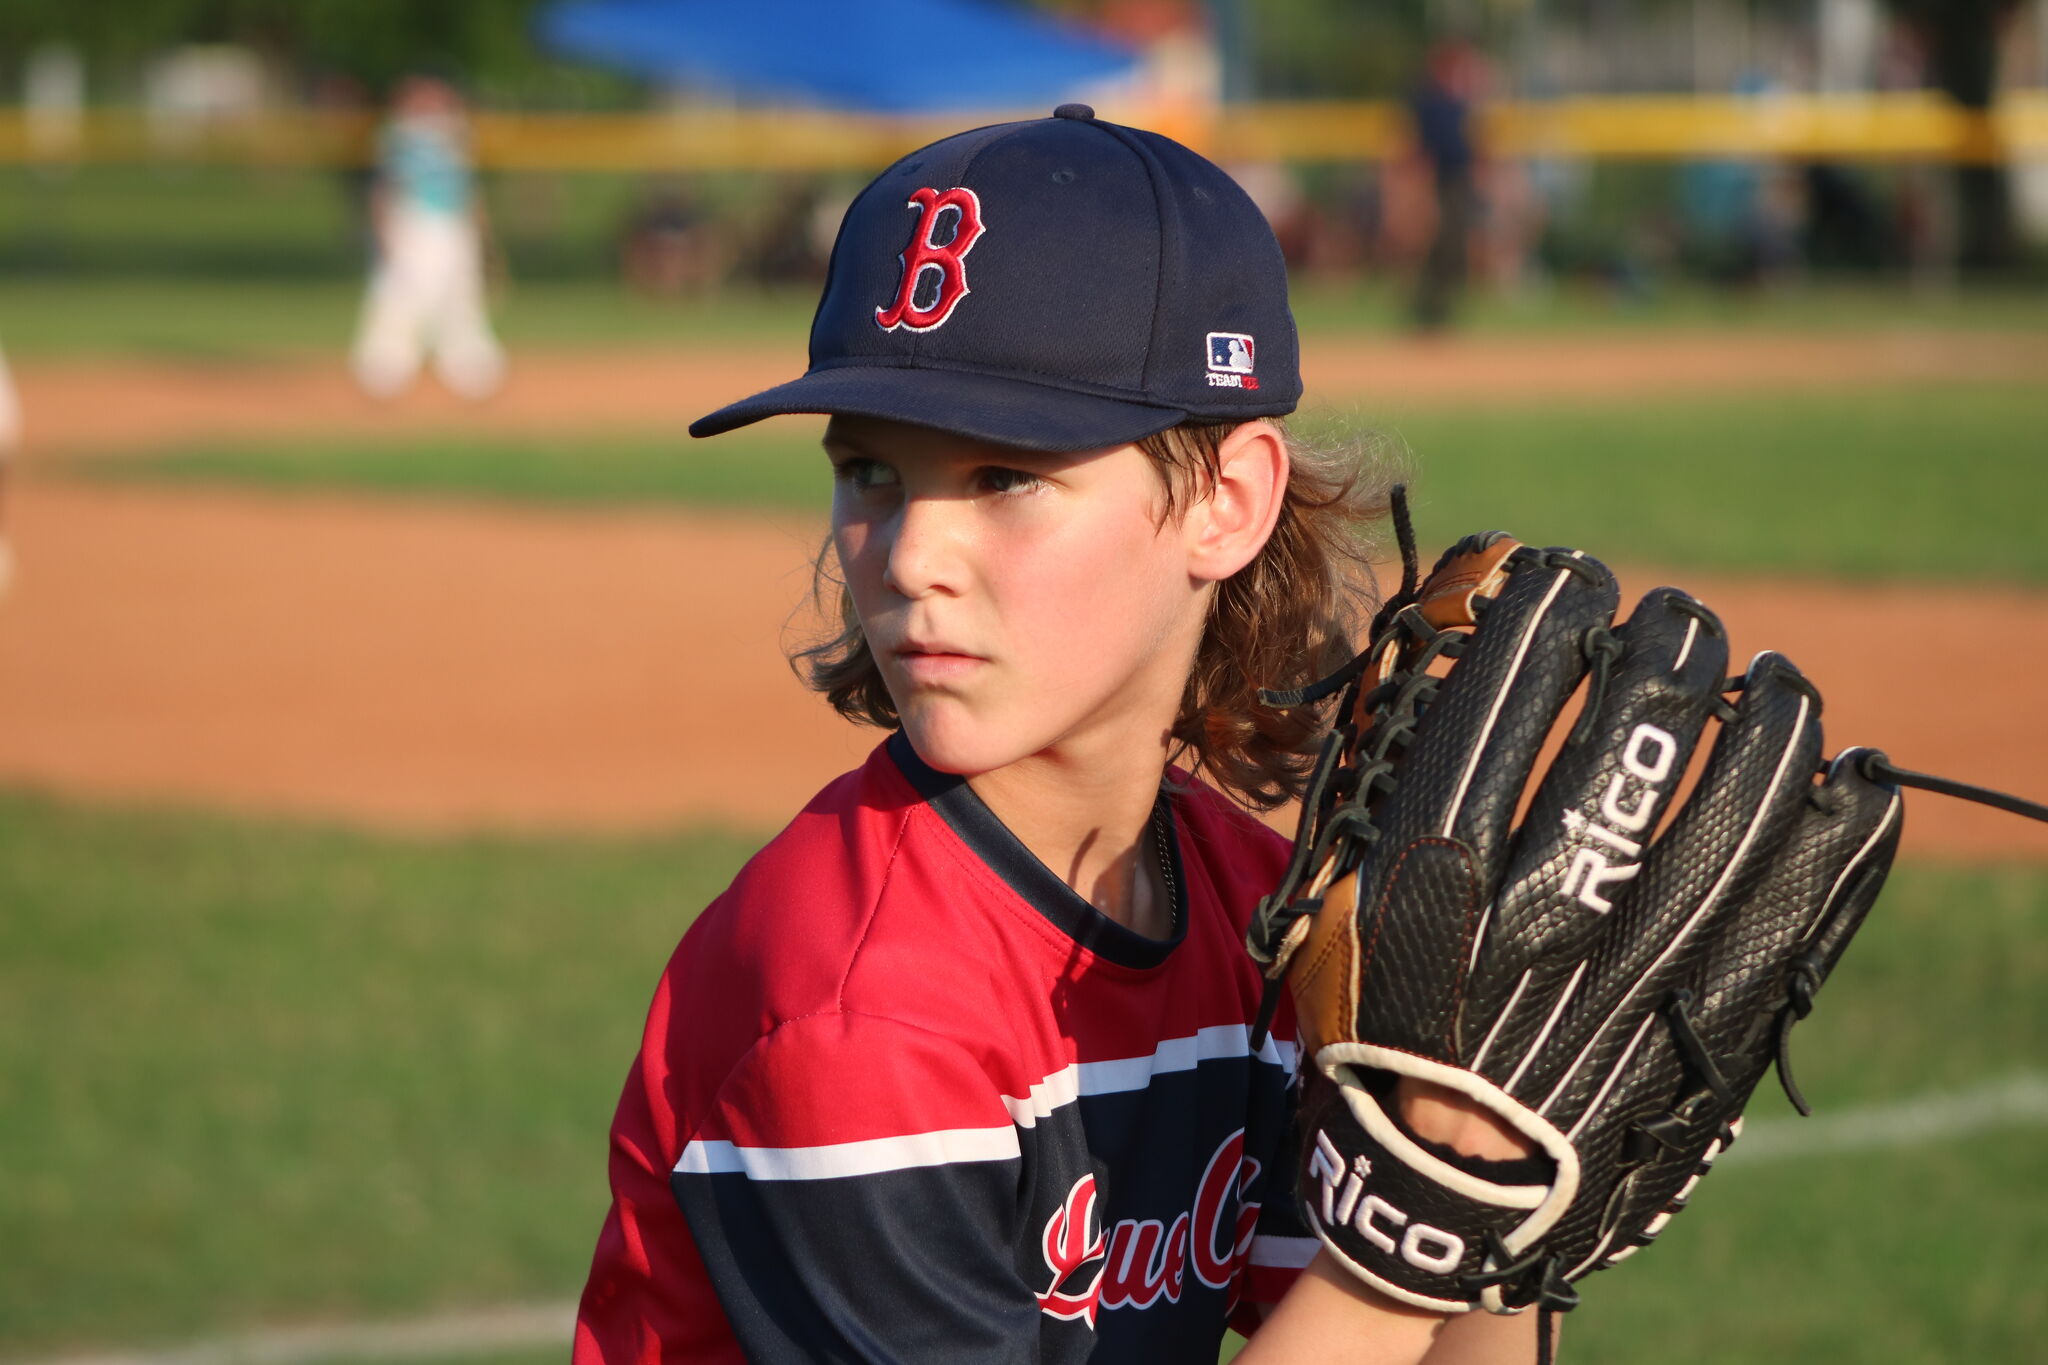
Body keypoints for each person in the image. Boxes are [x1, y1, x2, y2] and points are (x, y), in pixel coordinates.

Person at [574, 104, 1543, 1364]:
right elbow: (1368, 1307)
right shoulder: (859, 1011)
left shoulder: (1256, 919)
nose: (908, 557)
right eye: (870, 472)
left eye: (1004, 477)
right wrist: (1410, 1236)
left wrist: (1494, 1190)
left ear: (1225, 501)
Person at [348, 73, 505, 401]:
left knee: (460, 299)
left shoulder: (457, 133)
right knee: (401, 296)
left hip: (453, 226)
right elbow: (385, 188)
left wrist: (482, 236)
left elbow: (467, 189)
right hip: (412, 224)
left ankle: (474, 373)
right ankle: (383, 372)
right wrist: (384, 230)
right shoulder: (399, 136)